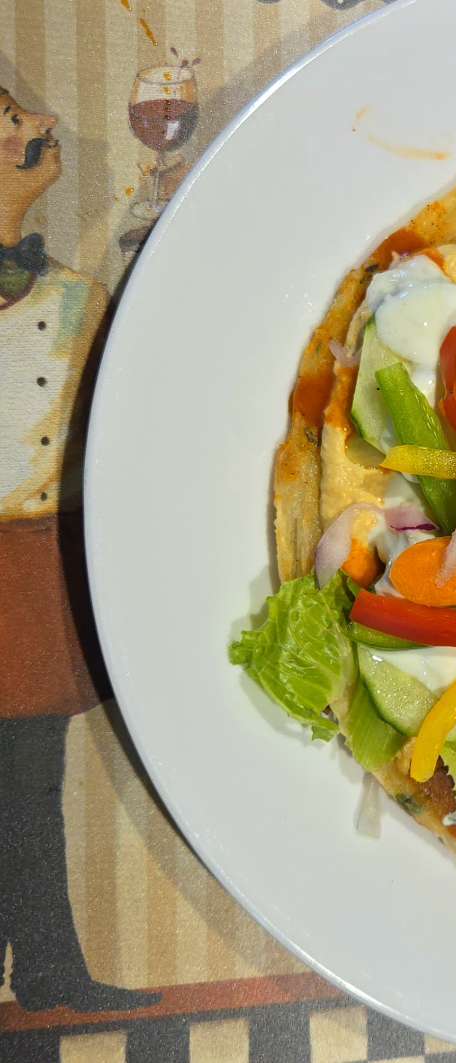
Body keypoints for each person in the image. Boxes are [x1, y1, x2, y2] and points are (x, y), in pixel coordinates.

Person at [0, 87, 157, 1012]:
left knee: (32, 782)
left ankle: (52, 966)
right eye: (10, 120)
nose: (41, 128)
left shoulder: (71, 296)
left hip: (34, 563)